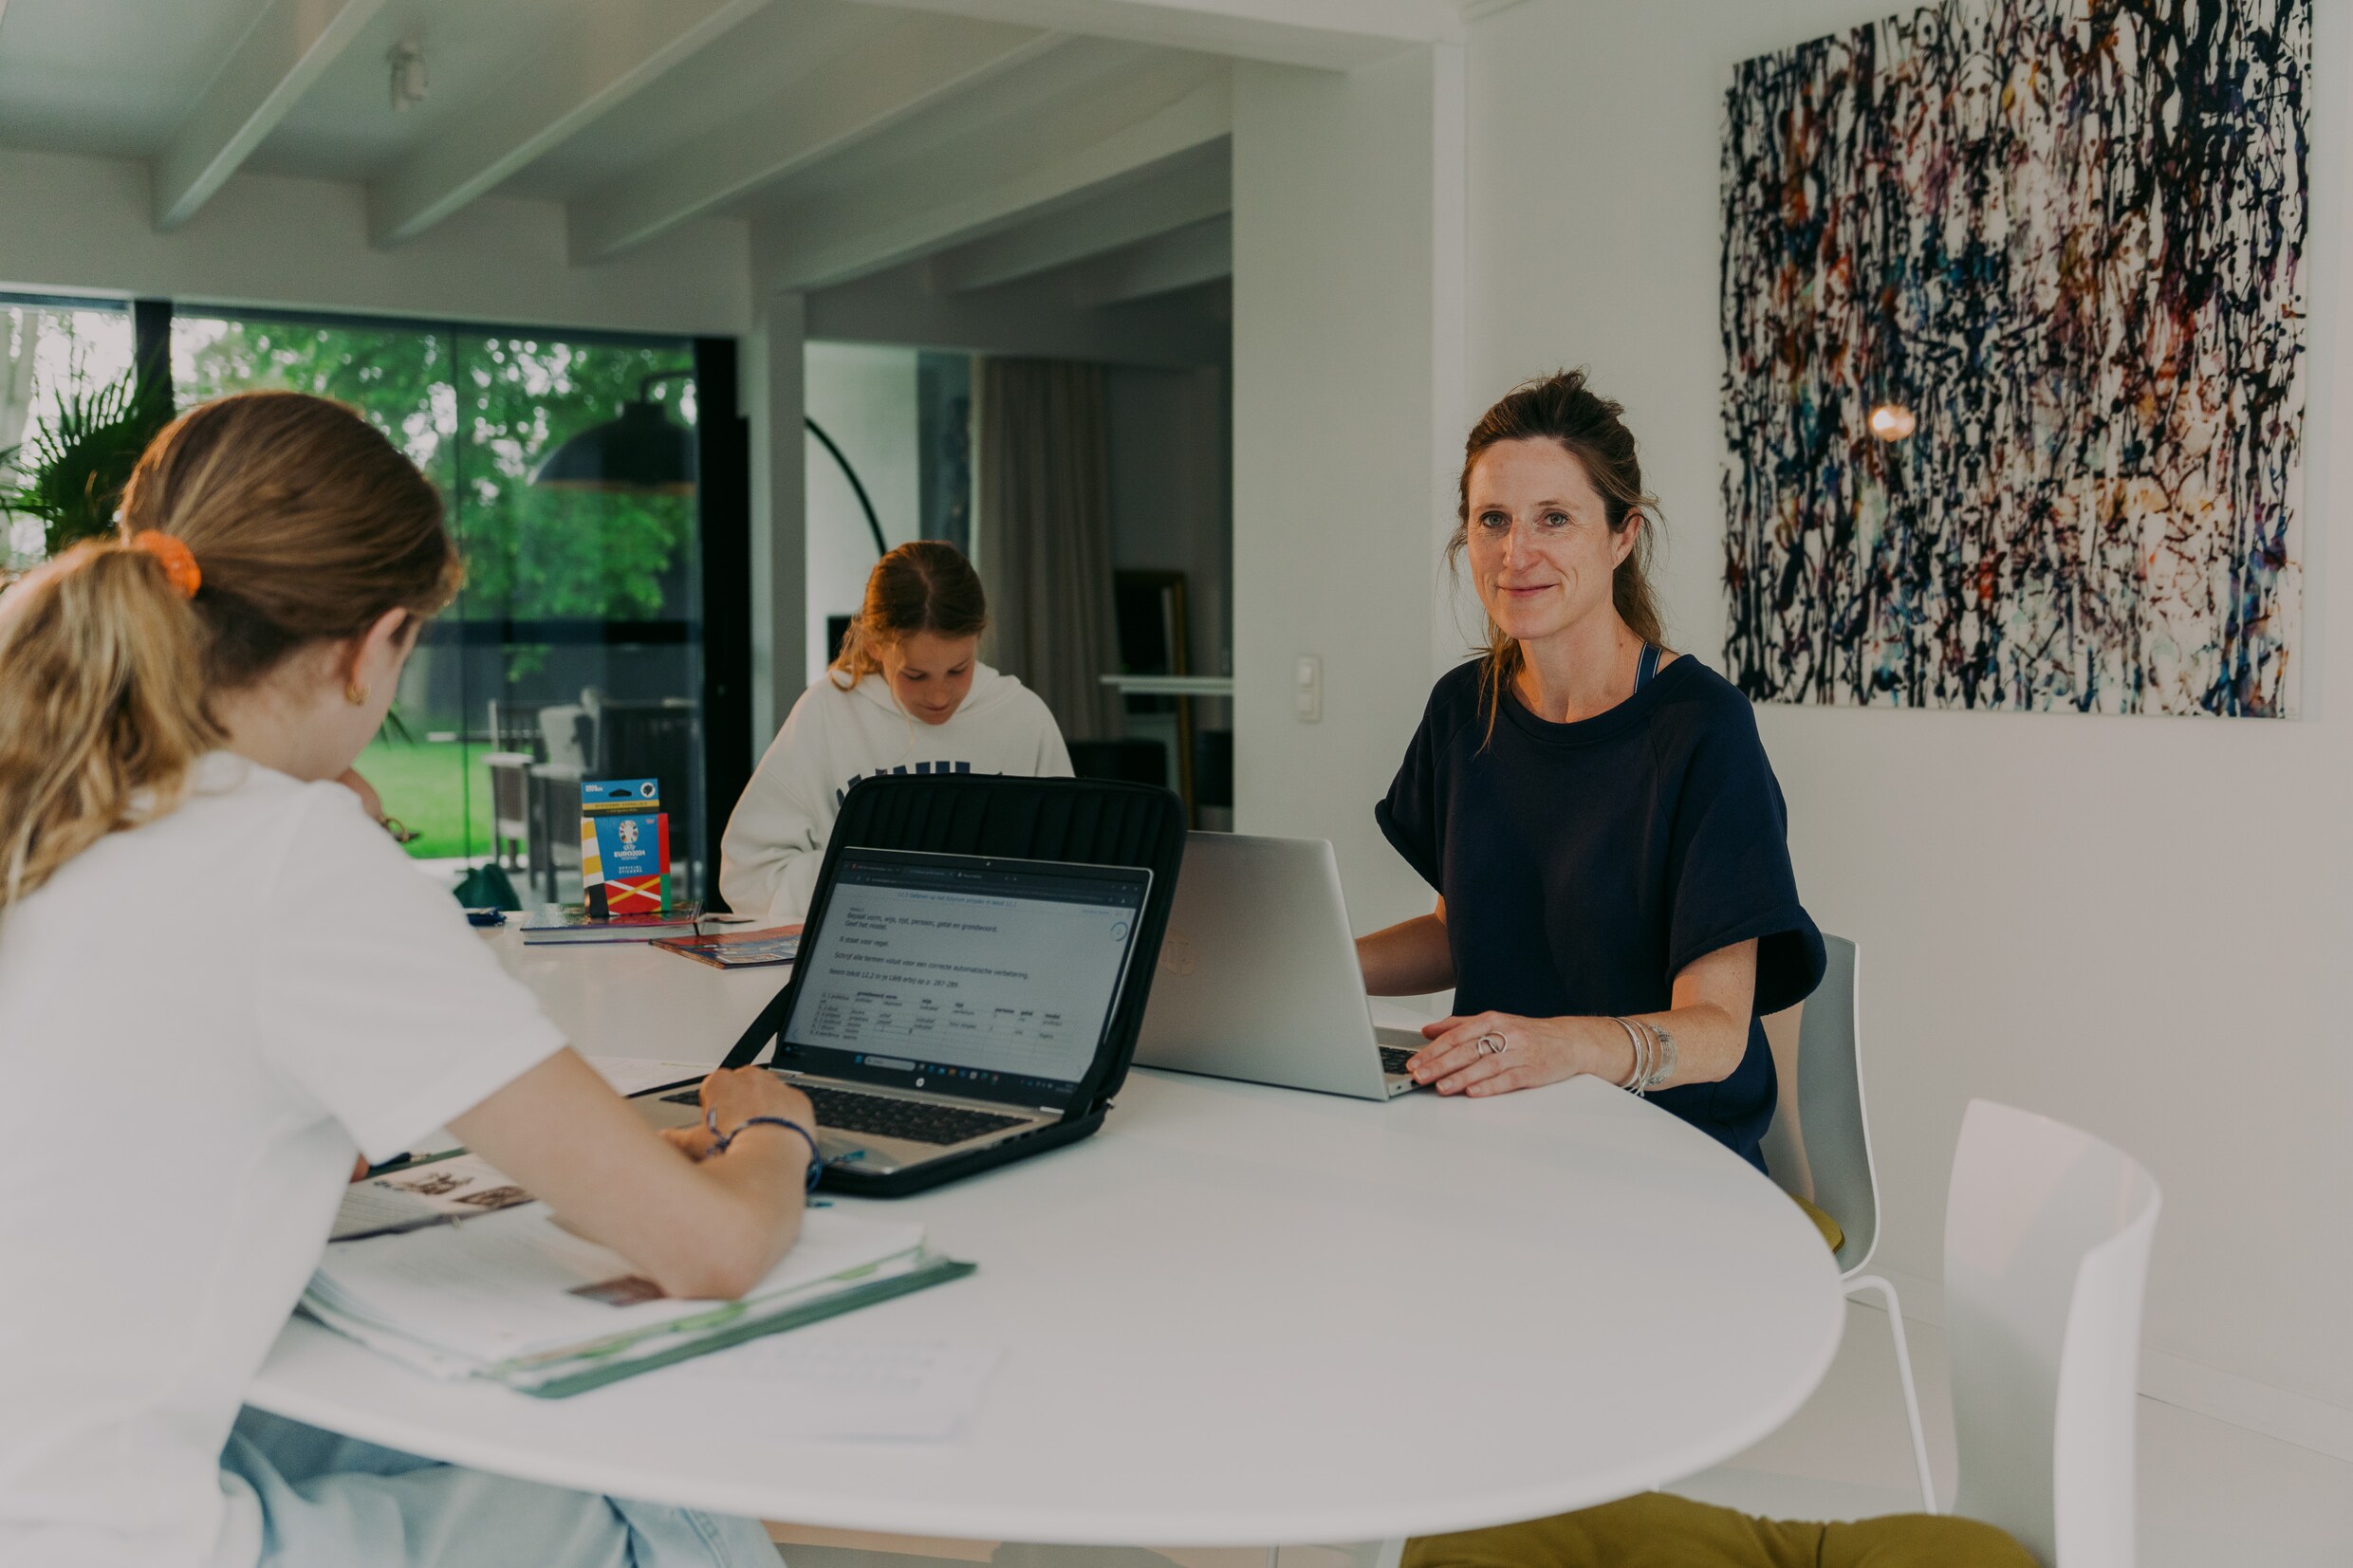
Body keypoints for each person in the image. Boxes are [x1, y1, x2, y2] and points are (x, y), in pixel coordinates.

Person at [0, 391, 809, 1568]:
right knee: (636, 1480)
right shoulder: (286, 849)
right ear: (371, 648)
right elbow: (712, 1253)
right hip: (107, 1535)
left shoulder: (53, 811)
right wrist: (777, 1131)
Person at [1357, 371, 1825, 1171]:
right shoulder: (1464, 709)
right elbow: (1453, 929)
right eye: (1492, 519)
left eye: (1554, 519)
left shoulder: (1704, 729)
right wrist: (1312, 969)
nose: (1516, 552)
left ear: (1621, 535)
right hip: (1504, 1131)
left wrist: (1562, 1045)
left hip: (1671, 1156)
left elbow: (1716, 1030)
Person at [721, 540, 1070, 925]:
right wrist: (866, 872)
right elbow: (747, 876)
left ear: (978, 639)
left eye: (959, 669)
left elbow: (1073, 864)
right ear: (874, 647)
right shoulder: (826, 713)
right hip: (863, 954)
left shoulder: (1022, 717)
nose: (939, 696)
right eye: (914, 675)